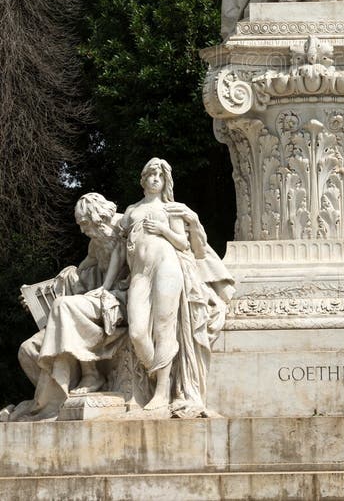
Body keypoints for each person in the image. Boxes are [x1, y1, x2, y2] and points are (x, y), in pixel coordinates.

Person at [118, 158, 234, 414]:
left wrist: (162, 229)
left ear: (165, 181)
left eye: (159, 175)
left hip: (167, 267)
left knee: (164, 326)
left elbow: (183, 244)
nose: (155, 178)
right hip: (139, 273)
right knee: (137, 332)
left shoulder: (172, 210)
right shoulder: (131, 211)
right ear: (143, 179)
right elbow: (118, 250)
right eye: (150, 174)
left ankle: (162, 391)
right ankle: (160, 374)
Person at [9, 193, 128, 421]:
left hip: (122, 299)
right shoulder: (97, 242)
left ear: (98, 217)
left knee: (65, 305)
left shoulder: (124, 228)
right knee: (27, 349)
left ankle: (91, 374)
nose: (83, 230)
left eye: (84, 223)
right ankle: (52, 400)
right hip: (97, 299)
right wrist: (38, 295)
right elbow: (81, 273)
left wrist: (106, 289)